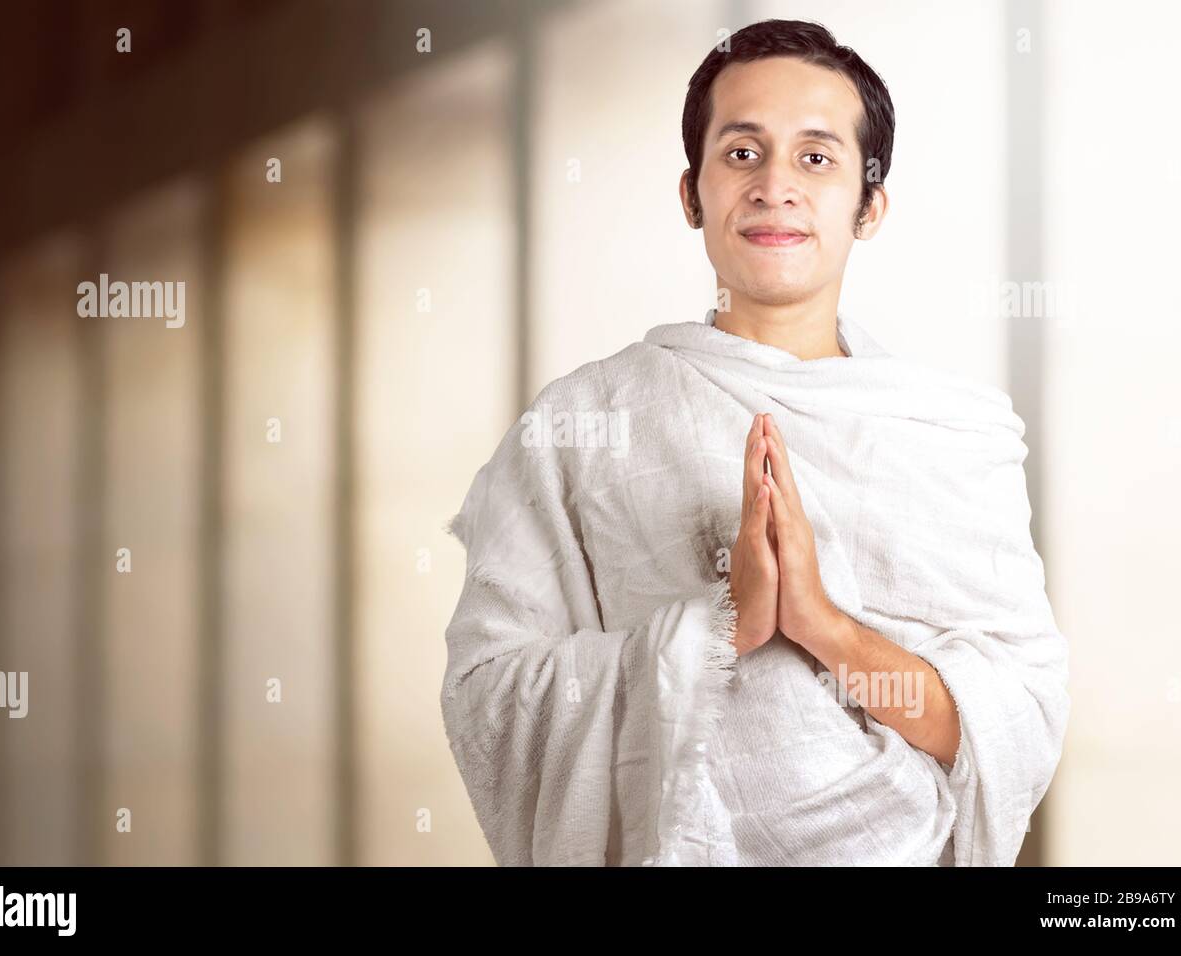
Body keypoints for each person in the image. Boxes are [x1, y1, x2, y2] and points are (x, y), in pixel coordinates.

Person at [440, 18, 1069, 867]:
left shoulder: (954, 435)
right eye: (742, 154)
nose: (776, 186)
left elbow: (1017, 716)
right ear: (692, 194)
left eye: (816, 158)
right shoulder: (584, 423)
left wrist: (821, 625)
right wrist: (719, 628)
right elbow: (489, 699)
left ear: (869, 205)